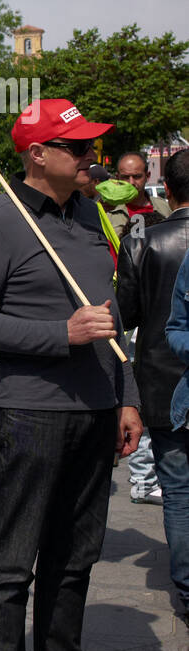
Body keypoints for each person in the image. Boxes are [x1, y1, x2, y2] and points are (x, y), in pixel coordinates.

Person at [0, 98, 141, 651]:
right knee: (11, 566)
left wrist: (127, 398)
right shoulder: (0, 220)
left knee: (76, 558)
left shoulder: (90, 214)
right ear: (37, 154)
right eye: (77, 146)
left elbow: (109, 317)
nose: (92, 157)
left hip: (96, 411)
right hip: (31, 415)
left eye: (91, 146)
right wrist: (60, 334)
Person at [128, 150, 189, 619]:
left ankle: (187, 588)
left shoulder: (145, 242)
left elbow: (125, 315)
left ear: (165, 190)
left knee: (178, 490)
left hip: (163, 384)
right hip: (168, 382)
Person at [107, 151, 171, 239]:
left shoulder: (165, 208)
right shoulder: (109, 212)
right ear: (117, 178)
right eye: (125, 177)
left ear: (147, 176)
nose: (131, 182)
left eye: (137, 176)